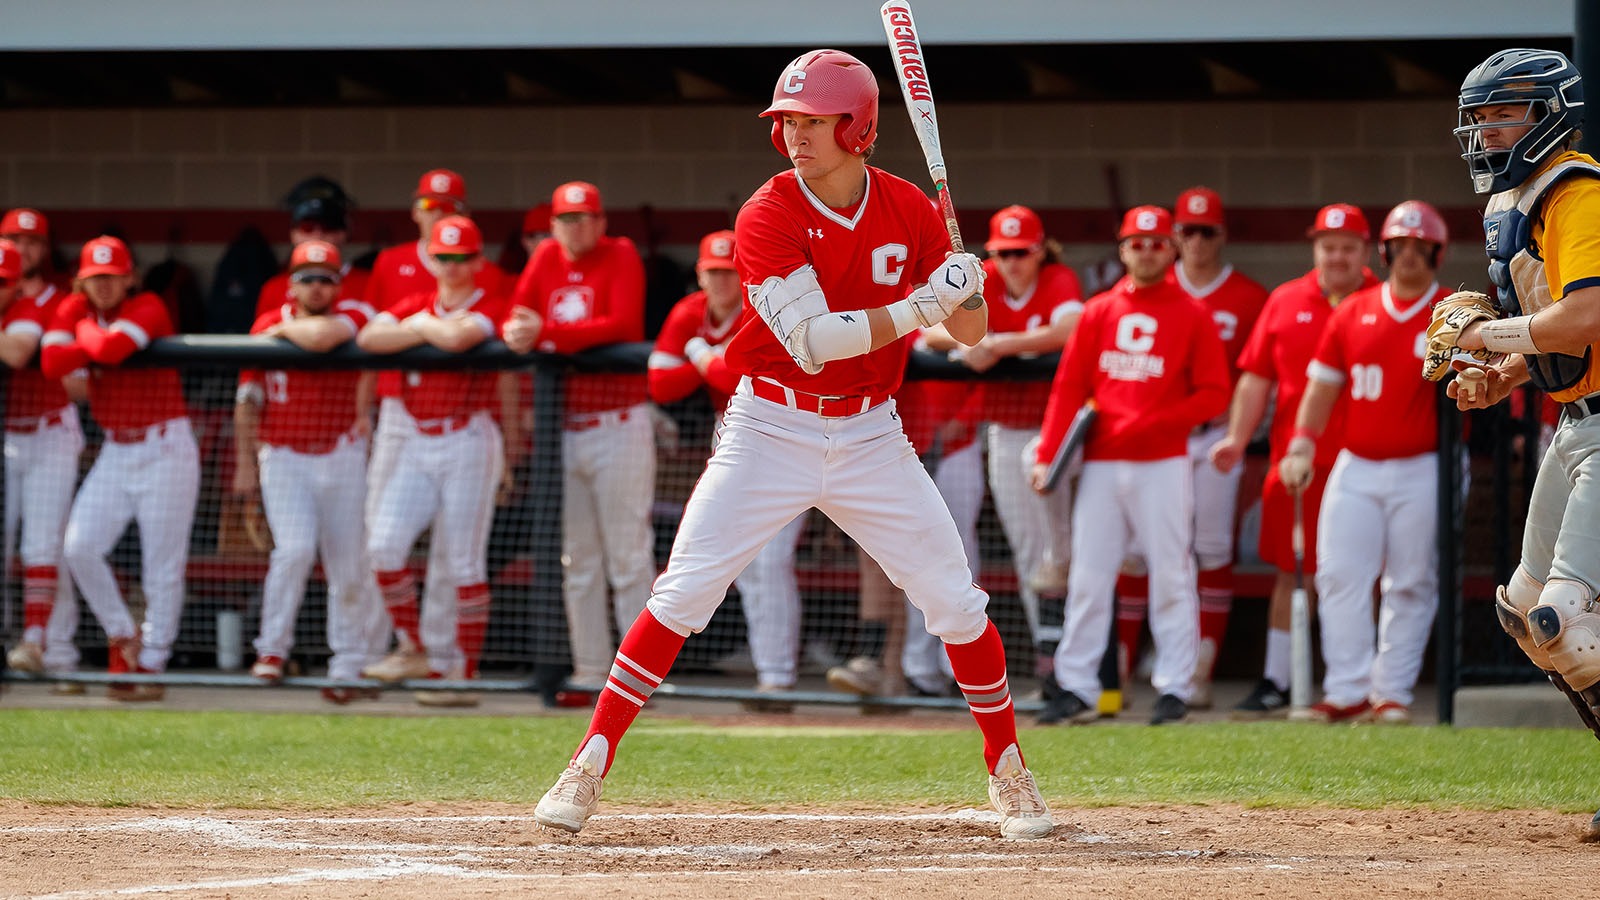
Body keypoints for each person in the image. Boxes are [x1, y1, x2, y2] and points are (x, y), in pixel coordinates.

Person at [532, 48, 1052, 840]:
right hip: (771, 425)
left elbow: (972, 333)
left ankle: (1008, 769)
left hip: (871, 432)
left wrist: (964, 285)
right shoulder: (765, 213)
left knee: (955, 601)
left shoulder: (911, 207)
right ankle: (588, 761)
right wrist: (926, 303)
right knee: (683, 594)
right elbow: (814, 341)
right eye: (787, 122)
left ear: (858, 128)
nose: (794, 136)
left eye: (812, 122)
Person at [1426, 48, 1600, 837]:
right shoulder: (1518, 200)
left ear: (1552, 114)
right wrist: (1503, 375)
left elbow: (1586, 317)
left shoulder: (1575, 190)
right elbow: (1558, 340)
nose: (1488, 131)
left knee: (1565, 620)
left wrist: (1485, 336)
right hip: (1576, 421)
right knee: (1525, 612)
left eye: (1505, 114)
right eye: (1481, 117)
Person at [1030, 205, 1230, 726]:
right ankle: (1076, 685)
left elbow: (1215, 394)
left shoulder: (1193, 313)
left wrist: (1160, 421)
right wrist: (1048, 455)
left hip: (1163, 462)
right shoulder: (1098, 311)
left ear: (1172, 249)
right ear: (1122, 250)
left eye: (1157, 243)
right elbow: (1068, 388)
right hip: (1101, 463)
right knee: (1089, 576)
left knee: (1172, 572)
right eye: (1137, 244)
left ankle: (1175, 686)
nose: (1146, 252)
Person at [1281, 201, 1448, 723]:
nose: (1410, 256)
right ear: (1386, 251)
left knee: (1410, 580)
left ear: (1437, 253)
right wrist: (1302, 442)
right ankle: (1347, 688)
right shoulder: (1352, 311)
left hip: (1424, 465)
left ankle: (1391, 692)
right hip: (1357, 463)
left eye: (1420, 247)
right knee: (1338, 574)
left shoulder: (1452, 309)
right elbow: (1321, 388)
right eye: (1401, 246)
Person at [1209, 203, 1377, 718]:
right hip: (1295, 462)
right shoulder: (1285, 300)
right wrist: (1236, 438)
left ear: (1366, 251)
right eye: (1328, 246)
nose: (1337, 256)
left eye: (1348, 247)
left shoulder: (1384, 299)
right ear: (1315, 249)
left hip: (1363, 461)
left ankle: (1362, 682)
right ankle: (1277, 679)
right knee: (1291, 572)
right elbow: (1256, 378)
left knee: (1361, 576)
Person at [1115, 188, 1269, 708]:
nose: (1197, 241)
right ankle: (1122, 670)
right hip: (1155, 438)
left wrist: (1241, 433)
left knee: (1211, 549)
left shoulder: (1248, 296)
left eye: (1207, 231)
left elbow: (1259, 376)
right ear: (1174, 236)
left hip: (1212, 437)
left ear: (1222, 236)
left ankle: (1200, 668)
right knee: (1137, 552)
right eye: (1187, 231)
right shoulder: (1146, 290)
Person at [362, 169, 513, 679]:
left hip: (468, 438)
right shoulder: (415, 302)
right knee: (383, 545)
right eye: (444, 258)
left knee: (463, 560)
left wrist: (420, 327)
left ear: (477, 261)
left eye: (461, 258)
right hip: (415, 439)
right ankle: (415, 647)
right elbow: (368, 339)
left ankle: (461, 672)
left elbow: (458, 338)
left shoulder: (491, 302)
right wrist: (424, 324)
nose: (452, 267)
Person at [505, 181, 653, 700]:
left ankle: (640, 675)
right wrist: (521, 332)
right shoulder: (545, 256)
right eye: (567, 219)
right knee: (578, 559)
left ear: (600, 221)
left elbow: (623, 324)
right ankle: (592, 669)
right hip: (566, 429)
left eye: (584, 218)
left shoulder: (621, 252)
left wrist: (545, 335)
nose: (575, 227)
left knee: (629, 556)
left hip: (619, 424)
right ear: (553, 225)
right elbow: (516, 318)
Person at [924, 204, 1081, 687]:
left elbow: (1071, 329)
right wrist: (967, 344)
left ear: (1040, 251)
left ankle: (1085, 662)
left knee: (1071, 551)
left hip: (1059, 433)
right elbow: (928, 327)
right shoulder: (984, 278)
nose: (1012, 263)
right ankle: (1052, 664)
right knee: (1030, 553)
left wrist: (998, 344)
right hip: (1005, 430)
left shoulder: (1058, 279)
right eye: (1004, 253)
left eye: (1021, 253)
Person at [650, 229, 807, 709]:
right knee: (746, 566)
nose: (721, 282)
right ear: (699, 274)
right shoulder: (689, 312)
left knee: (771, 561)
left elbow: (727, 374)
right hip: (735, 432)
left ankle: (778, 678)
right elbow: (659, 384)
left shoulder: (762, 304)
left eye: (729, 272)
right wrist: (704, 362)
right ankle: (771, 674)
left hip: (792, 429)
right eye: (713, 272)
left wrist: (699, 354)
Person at [40, 236, 199, 702]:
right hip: (116, 448)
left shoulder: (149, 305)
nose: (104, 286)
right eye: (95, 278)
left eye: (112, 277)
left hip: (165, 446)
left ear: (130, 277)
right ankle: (122, 633)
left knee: (161, 566)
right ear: (81, 281)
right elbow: (51, 361)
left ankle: (152, 663)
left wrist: (83, 333)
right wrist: (89, 334)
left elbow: (111, 349)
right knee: (79, 546)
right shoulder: (76, 307)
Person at [234, 240, 387, 705]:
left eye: (325, 278)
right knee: (295, 550)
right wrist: (244, 464)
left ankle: (346, 664)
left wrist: (282, 331)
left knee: (348, 562)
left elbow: (322, 338)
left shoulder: (355, 314)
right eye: (307, 278)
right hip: (283, 455)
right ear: (291, 283)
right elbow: (247, 399)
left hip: (341, 452)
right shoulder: (264, 322)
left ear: (338, 284)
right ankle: (272, 650)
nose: (317, 287)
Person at [0, 208, 85, 685]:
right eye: (13, 239)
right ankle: (32, 643)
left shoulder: (55, 298)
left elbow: (20, 353)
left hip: (49, 428)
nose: (23, 248)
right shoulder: (11, 301)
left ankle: (49, 646)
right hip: (8, 435)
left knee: (47, 544)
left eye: (31, 241)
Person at [253, 176, 368, 320]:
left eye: (328, 227)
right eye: (307, 227)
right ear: (293, 233)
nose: (317, 234)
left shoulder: (369, 283)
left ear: (344, 233)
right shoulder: (273, 288)